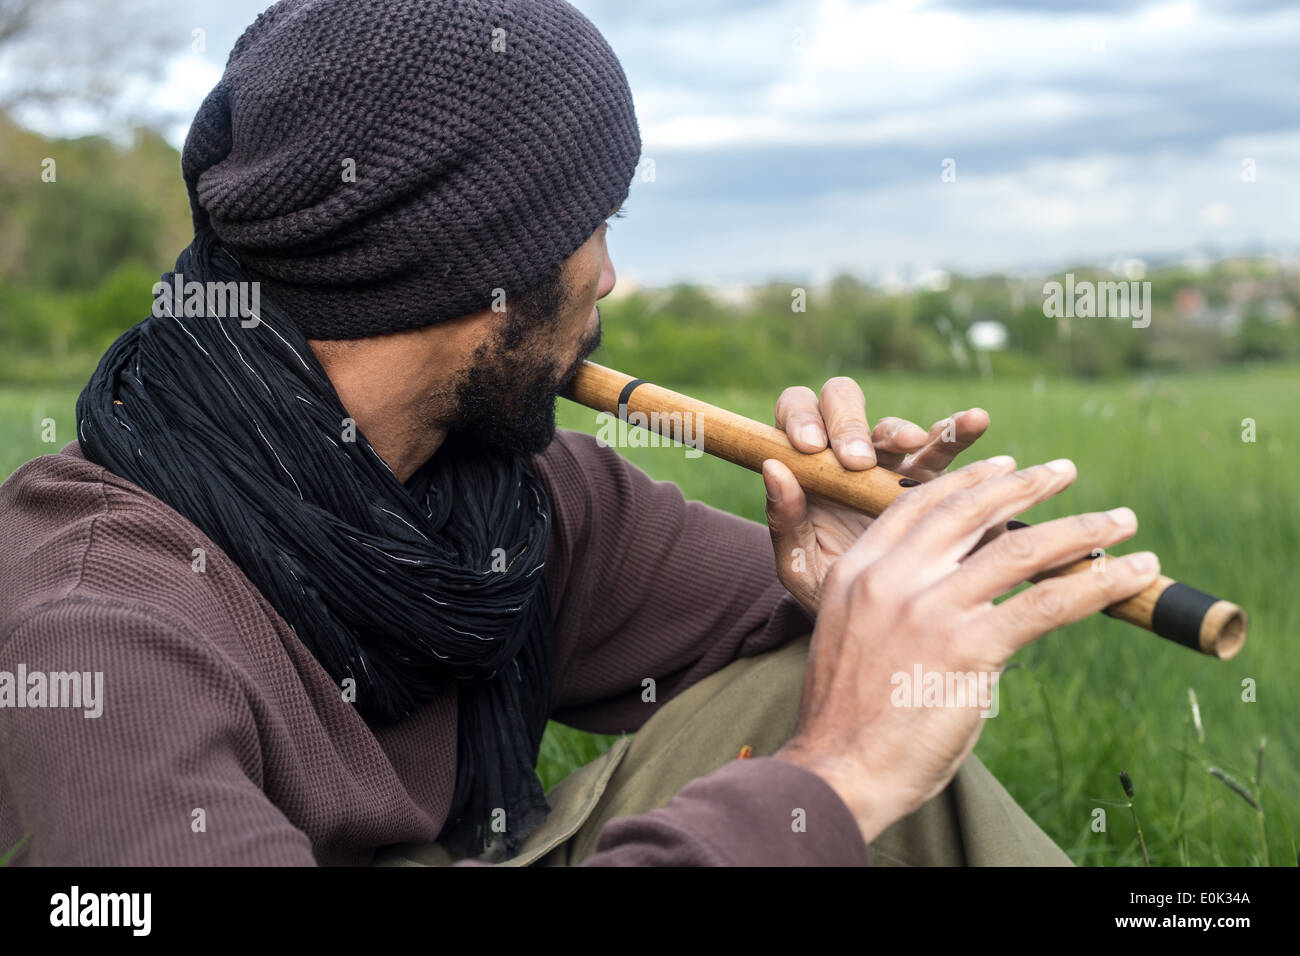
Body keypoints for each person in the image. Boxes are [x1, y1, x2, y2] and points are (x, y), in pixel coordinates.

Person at [0, 0, 1159, 866]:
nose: (610, 270)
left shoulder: (502, 491)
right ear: (475, 266)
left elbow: (796, 655)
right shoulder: (102, 631)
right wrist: (832, 781)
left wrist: (843, 577)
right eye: (587, 220)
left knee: (830, 678)